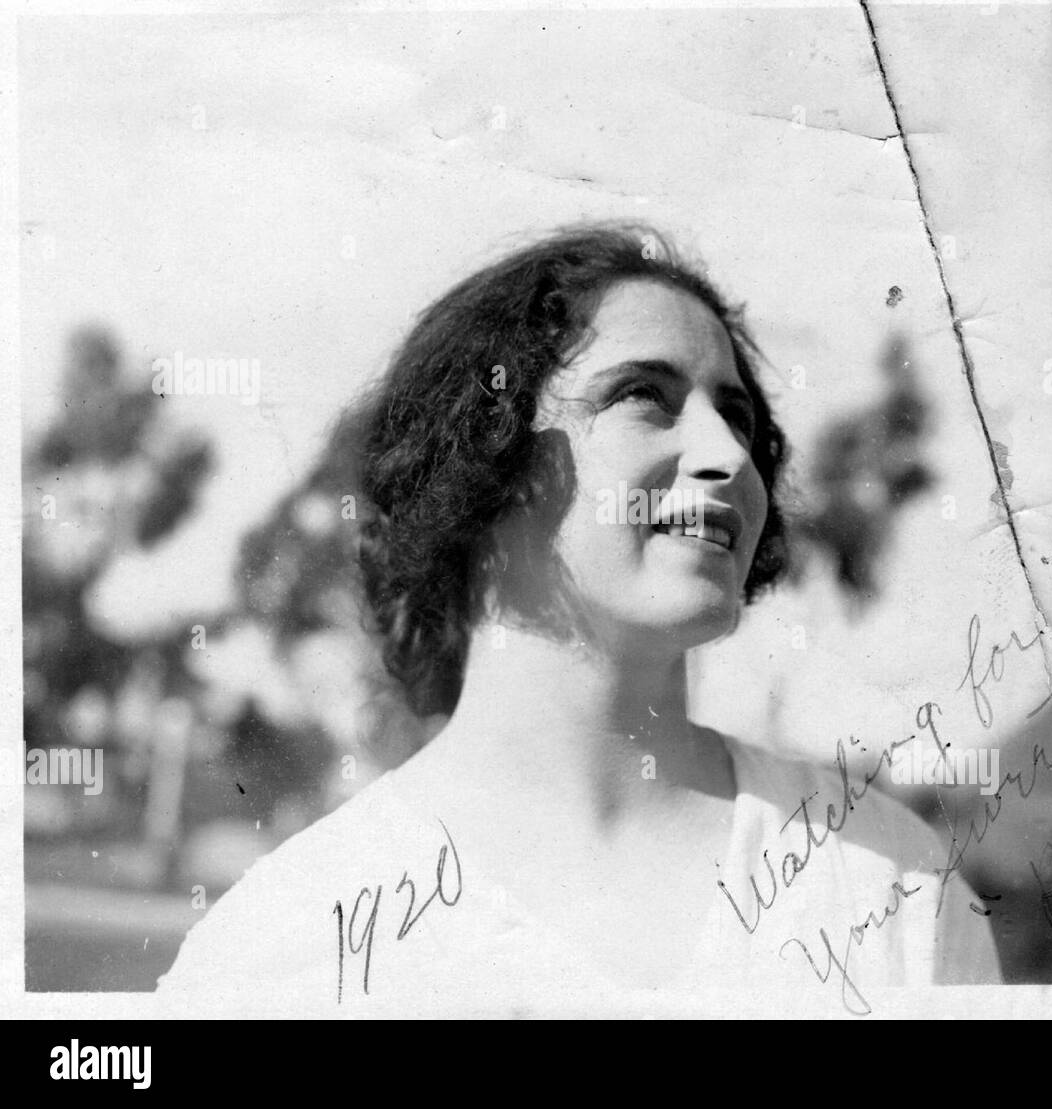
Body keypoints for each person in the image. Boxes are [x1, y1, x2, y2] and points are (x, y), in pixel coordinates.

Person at [156, 224, 1001, 1017]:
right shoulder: (274, 952)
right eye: (644, 395)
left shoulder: (896, 891)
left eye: (737, 417)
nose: (730, 457)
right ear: (486, 457)